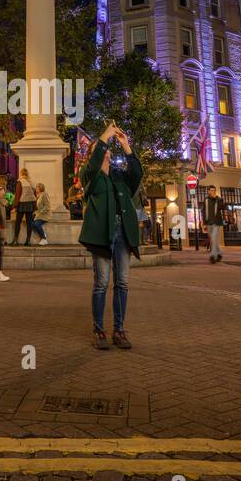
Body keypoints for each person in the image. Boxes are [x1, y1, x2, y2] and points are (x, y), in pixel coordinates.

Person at [79, 124, 143, 350]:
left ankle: (119, 329)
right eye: (101, 147)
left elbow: (137, 174)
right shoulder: (89, 176)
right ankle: (99, 330)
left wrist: (126, 145)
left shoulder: (119, 177)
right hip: (102, 236)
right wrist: (104, 137)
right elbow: (94, 163)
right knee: (102, 283)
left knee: (122, 283)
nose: (106, 149)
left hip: (122, 233)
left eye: (107, 147)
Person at [12, 168, 35, 245]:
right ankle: (28, 241)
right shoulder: (31, 182)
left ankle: (15, 240)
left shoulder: (20, 182)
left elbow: (17, 195)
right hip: (30, 204)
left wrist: (15, 206)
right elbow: (34, 194)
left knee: (18, 222)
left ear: (21, 173)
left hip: (22, 203)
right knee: (29, 223)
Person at [203, 185, 225, 263]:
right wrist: (204, 223)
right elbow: (204, 211)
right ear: (208, 191)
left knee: (213, 238)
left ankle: (213, 256)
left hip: (216, 223)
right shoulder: (205, 200)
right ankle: (219, 253)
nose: (213, 192)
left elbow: (222, 207)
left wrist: (217, 199)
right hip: (209, 223)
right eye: (211, 190)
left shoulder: (219, 199)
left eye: (214, 190)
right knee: (213, 239)